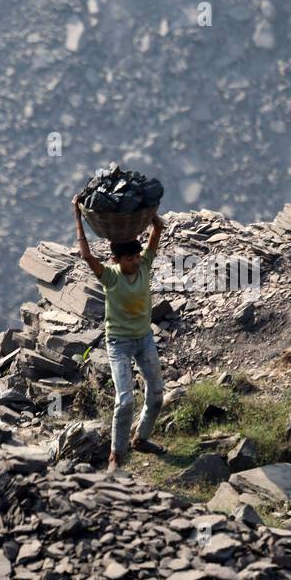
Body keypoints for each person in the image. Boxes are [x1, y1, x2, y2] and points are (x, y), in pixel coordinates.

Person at [73, 196, 167, 470]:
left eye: (138, 256)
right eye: (130, 258)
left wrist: (148, 210)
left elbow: (158, 229)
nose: (137, 261)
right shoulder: (111, 277)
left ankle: (141, 438)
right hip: (119, 343)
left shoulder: (145, 266)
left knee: (157, 393)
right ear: (116, 259)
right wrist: (77, 216)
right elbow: (87, 256)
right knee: (125, 399)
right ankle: (116, 454)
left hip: (144, 338)